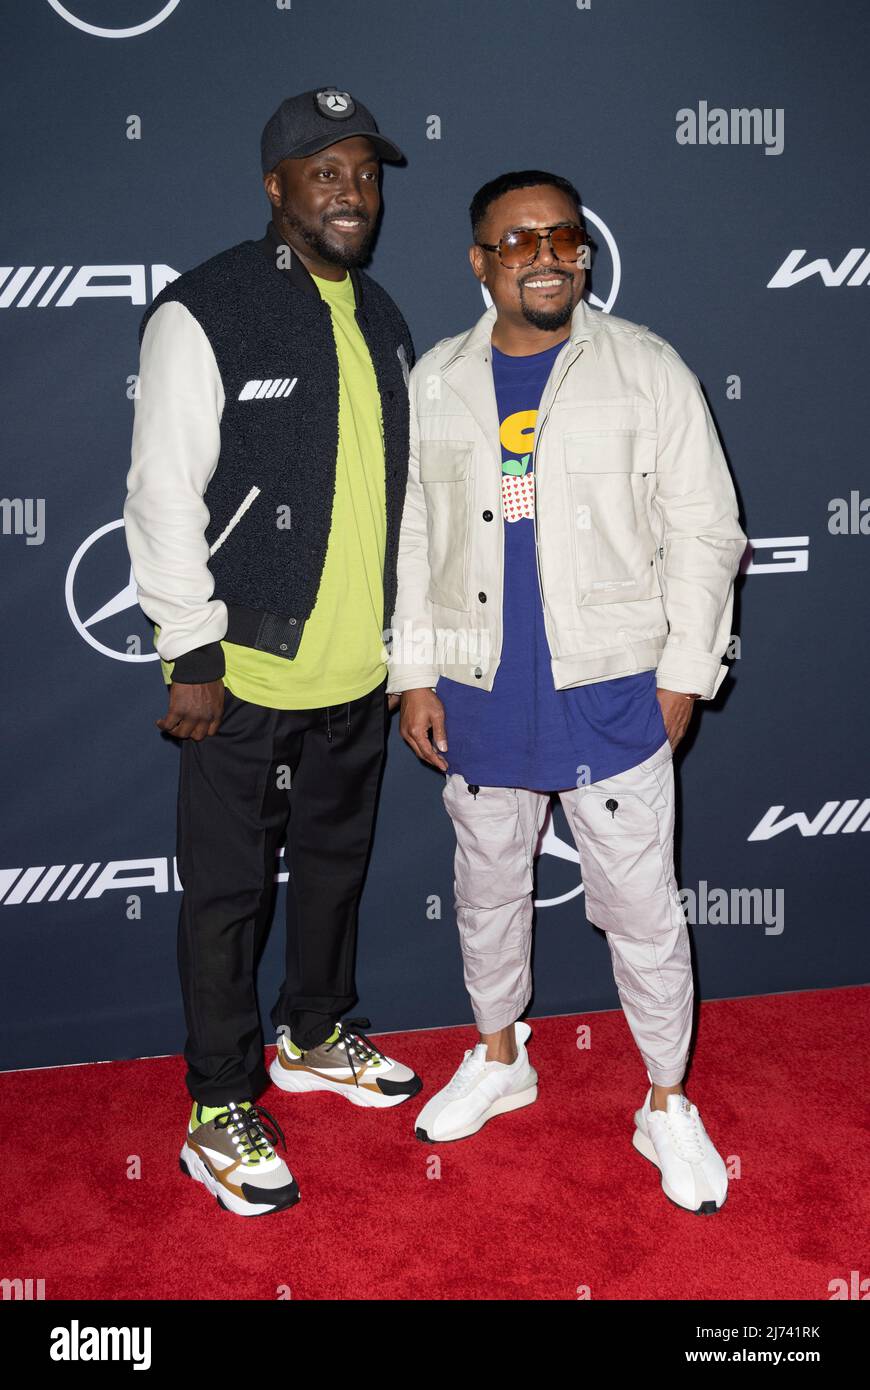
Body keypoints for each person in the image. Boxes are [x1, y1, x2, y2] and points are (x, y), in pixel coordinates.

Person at [388, 169, 747, 1215]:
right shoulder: (440, 379)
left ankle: (668, 1103)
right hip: (481, 686)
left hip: (613, 688)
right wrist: (414, 668)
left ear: (582, 252)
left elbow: (708, 529)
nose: (545, 253)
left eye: (562, 236)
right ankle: (502, 1057)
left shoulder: (645, 367)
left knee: (642, 911)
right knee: (487, 888)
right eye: (518, 239)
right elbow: (416, 535)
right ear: (480, 260)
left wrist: (684, 675)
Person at [124, 88, 421, 1218]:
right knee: (228, 898)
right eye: (324, 169)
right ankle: (217, 1103)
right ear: (275, 187)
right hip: (244, 676)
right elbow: (160, 492)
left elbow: (409, 506)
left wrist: (411, 651)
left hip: (359, 672)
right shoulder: (207, 307)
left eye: (366, 171)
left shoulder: (385, 316)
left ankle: (315, 1034)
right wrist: (189, 650)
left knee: (334, 878)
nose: (351, 190)